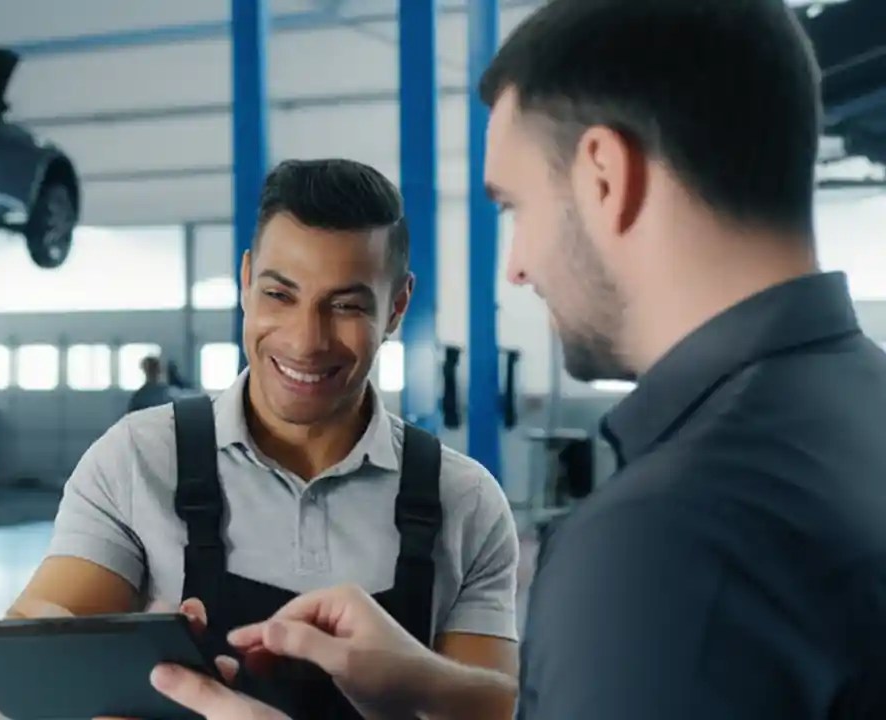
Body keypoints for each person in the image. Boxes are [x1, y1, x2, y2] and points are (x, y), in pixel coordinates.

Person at [147, 0, 886, 718]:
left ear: (604, 175)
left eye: (515, 207)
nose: (517, 266)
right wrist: (432, 685)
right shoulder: (861, 411)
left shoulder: (663, 543)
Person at [6, 158, 521, 718]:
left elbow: (495, 708)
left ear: (396, 307)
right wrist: (50, 666)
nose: (305, 341)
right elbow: (37, 664)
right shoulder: (138, 461)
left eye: (346, 305)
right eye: (279, 294)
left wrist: (419, 679)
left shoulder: (464, 501)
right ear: (247, 280)